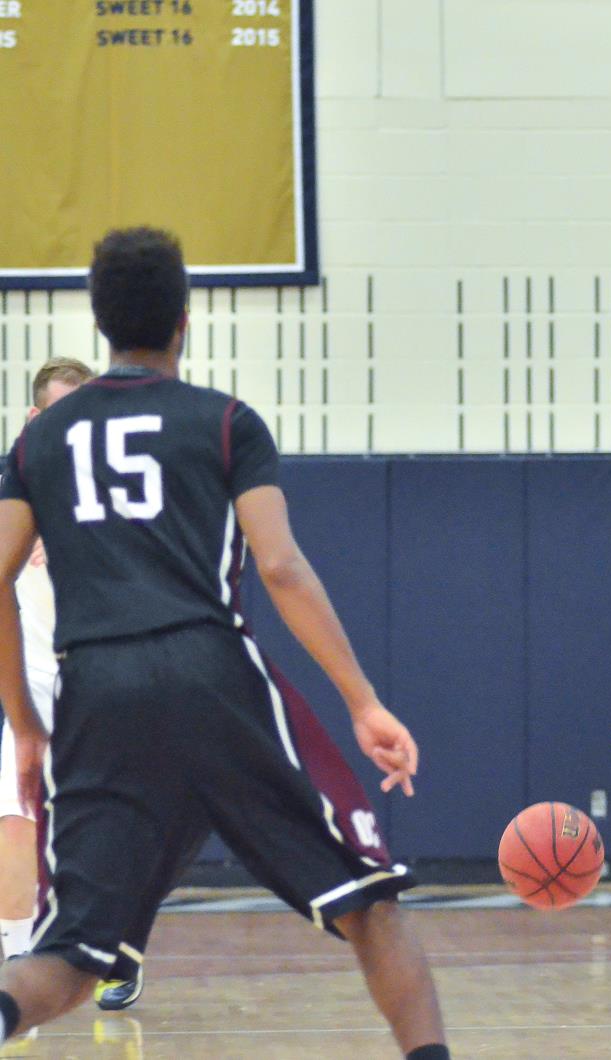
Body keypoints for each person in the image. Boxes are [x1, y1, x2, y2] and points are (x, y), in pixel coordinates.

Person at [0, 228, 448, 1058]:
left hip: (94, 688)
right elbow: (279, 566)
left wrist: (26, 727)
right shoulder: (225, 422)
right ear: (185, 319)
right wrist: (362, 700)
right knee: (369, 900)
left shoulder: (37, 443)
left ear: (100, 322)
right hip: (210, 672)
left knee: (64, 957)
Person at [0, 357, 166, 1013]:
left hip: (108, 676)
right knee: (13, 812)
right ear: (38, 417)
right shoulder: (13, 483)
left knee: (113, 831)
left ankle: (118, 952)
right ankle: (15, 958)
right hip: (31, 679)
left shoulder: (123, 485)